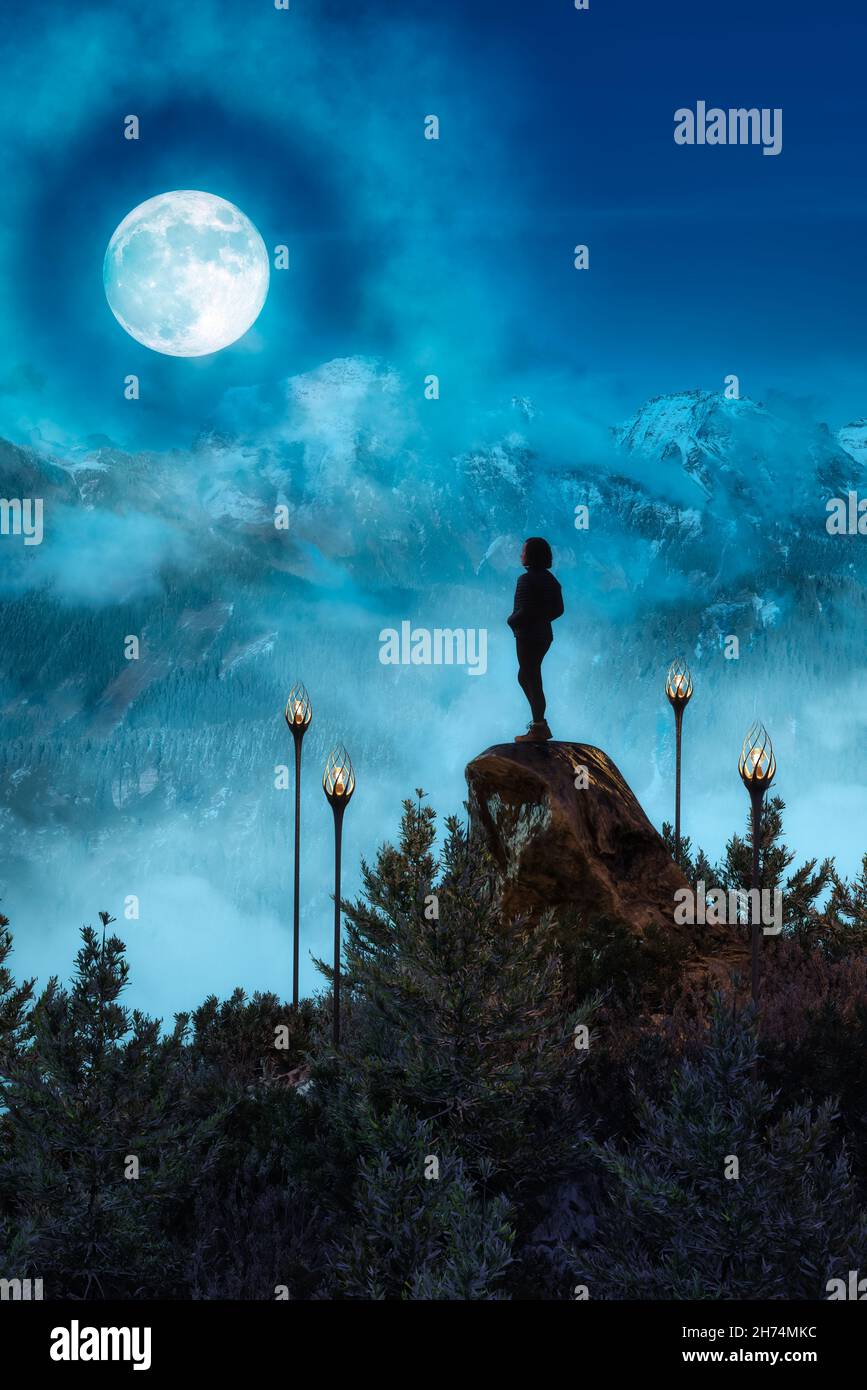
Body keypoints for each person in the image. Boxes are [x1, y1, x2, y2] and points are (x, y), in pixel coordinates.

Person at [507, 536, 563, 742]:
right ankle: (539, 724)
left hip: (527, 636)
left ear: (532, 555)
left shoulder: (525, 580)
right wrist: (542, 618)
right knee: (528, 676)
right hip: (544, 636)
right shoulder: (550, 579)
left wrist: (511, 620)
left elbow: (525, 610)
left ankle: (539, 726)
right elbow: (559, 609)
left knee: (530, 678)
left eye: (524, 551)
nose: (521, 555)